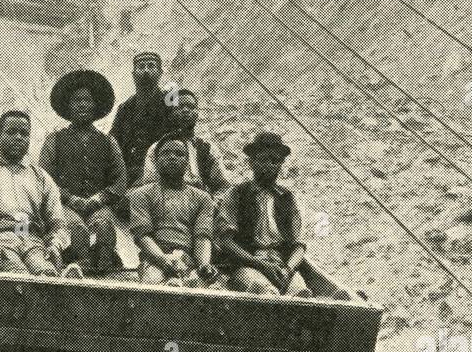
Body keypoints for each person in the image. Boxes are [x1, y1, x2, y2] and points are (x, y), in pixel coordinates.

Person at [215, 131, 351, 298]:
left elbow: (298, 245)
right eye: (263, 160)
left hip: (281, 267)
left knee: (302, 295)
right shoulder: (236, 193)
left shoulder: (287, 198)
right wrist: (259, 264)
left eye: (275, 161)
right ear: (251, 162)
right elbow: (225, 240)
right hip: (247, 266)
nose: (269, 166)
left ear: (281, 164)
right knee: (264, 291)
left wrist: (287, 269)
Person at [38, 69, 127, 277]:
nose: (82, 104)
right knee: (75, 229)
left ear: (95, 106)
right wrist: (70, 198)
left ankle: (103, 259)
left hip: (98, 204)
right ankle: (79, 262)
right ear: (68, 107)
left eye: (87, 100)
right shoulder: (55, 139)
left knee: (104, 227)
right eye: (77, 100)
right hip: (66, 205)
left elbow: (120, 178)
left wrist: (99, 198)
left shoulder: (108, 141)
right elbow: (44, 177)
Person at [0, 108, 69, 276]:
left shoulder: (41, 177)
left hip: (32, 241)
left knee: (47, 276)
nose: (18, 137)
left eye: (24, 133)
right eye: (11, 132)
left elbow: (58, 223)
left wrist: (56, 245)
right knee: (18, 278)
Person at [128, 133, 217, 285]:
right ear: (156, 161)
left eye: (179, 154)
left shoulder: (203, 198)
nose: (172, 157)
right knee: (155, 287)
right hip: (155, 261)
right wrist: (164, 261)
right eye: (165, 153)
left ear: (187, 162)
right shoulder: (140, 194)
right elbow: (142, 236)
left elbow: (202, 236)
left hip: (190, 262)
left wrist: (203, 265)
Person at [139, 88, 229, 198]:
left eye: (191, 107)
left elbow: (224, 186)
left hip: (202, 207)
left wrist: (212, 204)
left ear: (197, 114)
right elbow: (150, 186)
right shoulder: (156, 149)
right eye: (180, 107)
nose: (186, 110)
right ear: (171, 114)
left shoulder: (207, 149)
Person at [110, 51, 173, 188]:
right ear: (133, 74)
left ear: (160, 72)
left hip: (161, 172)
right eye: (141, 67)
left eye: (151, 66)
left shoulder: (169, 103)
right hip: (128, 173)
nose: (145, 71)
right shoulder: (125, 108)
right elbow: (113, 143)